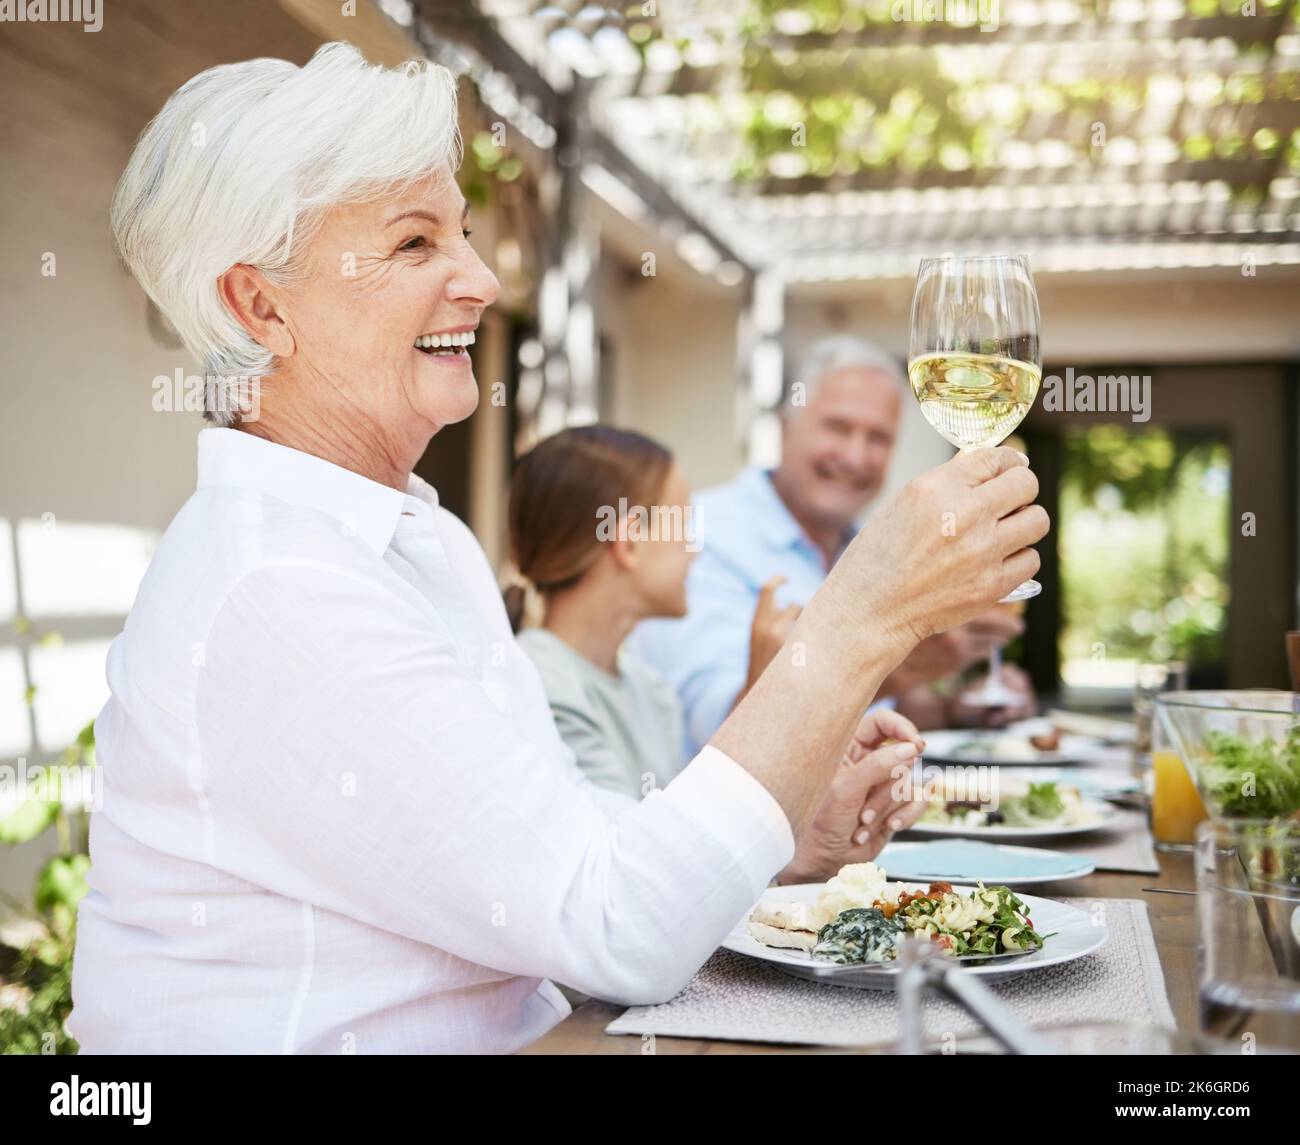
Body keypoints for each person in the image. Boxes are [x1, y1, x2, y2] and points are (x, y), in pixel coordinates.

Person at [69, 43, 1047, 1054]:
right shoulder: (276, 584)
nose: (480, 278)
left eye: (462, 232)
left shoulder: (418, 540)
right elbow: (618, 925)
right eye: (414, 244)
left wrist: (786, 838)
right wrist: (864, 614)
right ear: (261, 306)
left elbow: (562, 849)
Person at [506, 424, 928, 870]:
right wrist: (771, 689)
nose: (695, 549)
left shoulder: (647, 688)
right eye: (682, 523)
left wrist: (823, 755)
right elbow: (638, 869)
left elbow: (689, 836)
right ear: (627, 542)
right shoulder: (542, 686)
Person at [632, 336, 1037, 760]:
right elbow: (725, 736)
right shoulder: (701, 535)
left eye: (878, 438)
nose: (855, 457)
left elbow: (865, 718)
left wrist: (954, 709)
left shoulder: (862, 546)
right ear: (785, 428)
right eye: (837, 428)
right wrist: (898, 666)